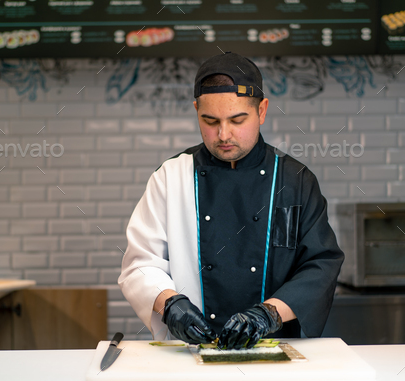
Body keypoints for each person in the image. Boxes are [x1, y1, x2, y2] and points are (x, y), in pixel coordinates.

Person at [118, 52, 344, 349]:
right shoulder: (170, 177)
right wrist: (170, 304)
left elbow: (321, 265)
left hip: (277, 352)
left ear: (262, 111)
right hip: (192, 352)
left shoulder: (295, 180)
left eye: (238, 120)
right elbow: (139, 264)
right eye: (210, 121)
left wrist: (270, 313)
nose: (223, 135)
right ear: (196, 109)